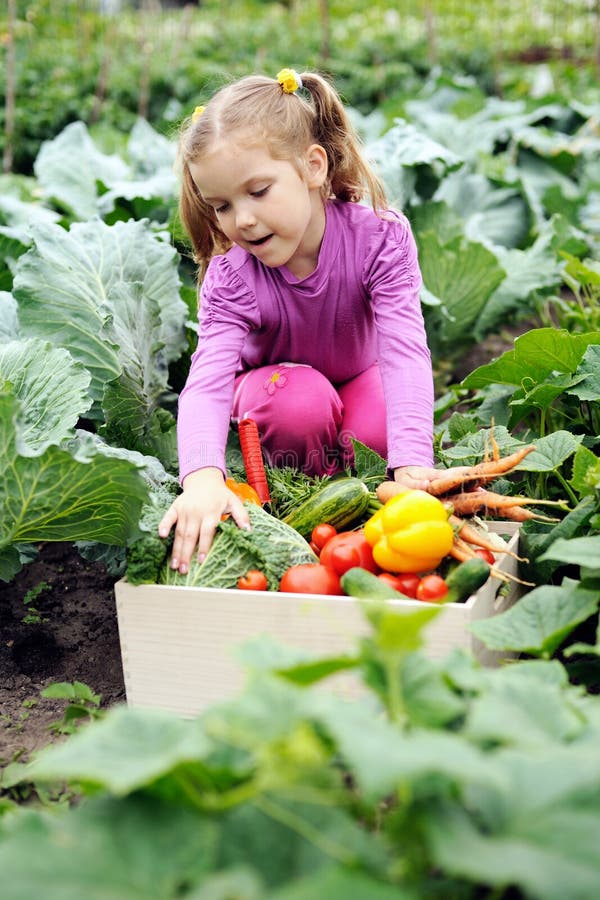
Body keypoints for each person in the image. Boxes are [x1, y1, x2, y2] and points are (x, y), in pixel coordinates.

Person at [159, 68, 438, 574]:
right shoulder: (232, 277)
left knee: (380, 432)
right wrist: (201, 478)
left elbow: (403, 353)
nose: (241, 220)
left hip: (358, 376)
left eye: (258, 191)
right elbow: (205, 384)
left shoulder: (379, 238)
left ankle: (360, 495)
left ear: (313, 167)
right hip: (275, 391)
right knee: (301, 404)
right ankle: (302, 507)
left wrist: (413, 462)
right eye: (221, 206)